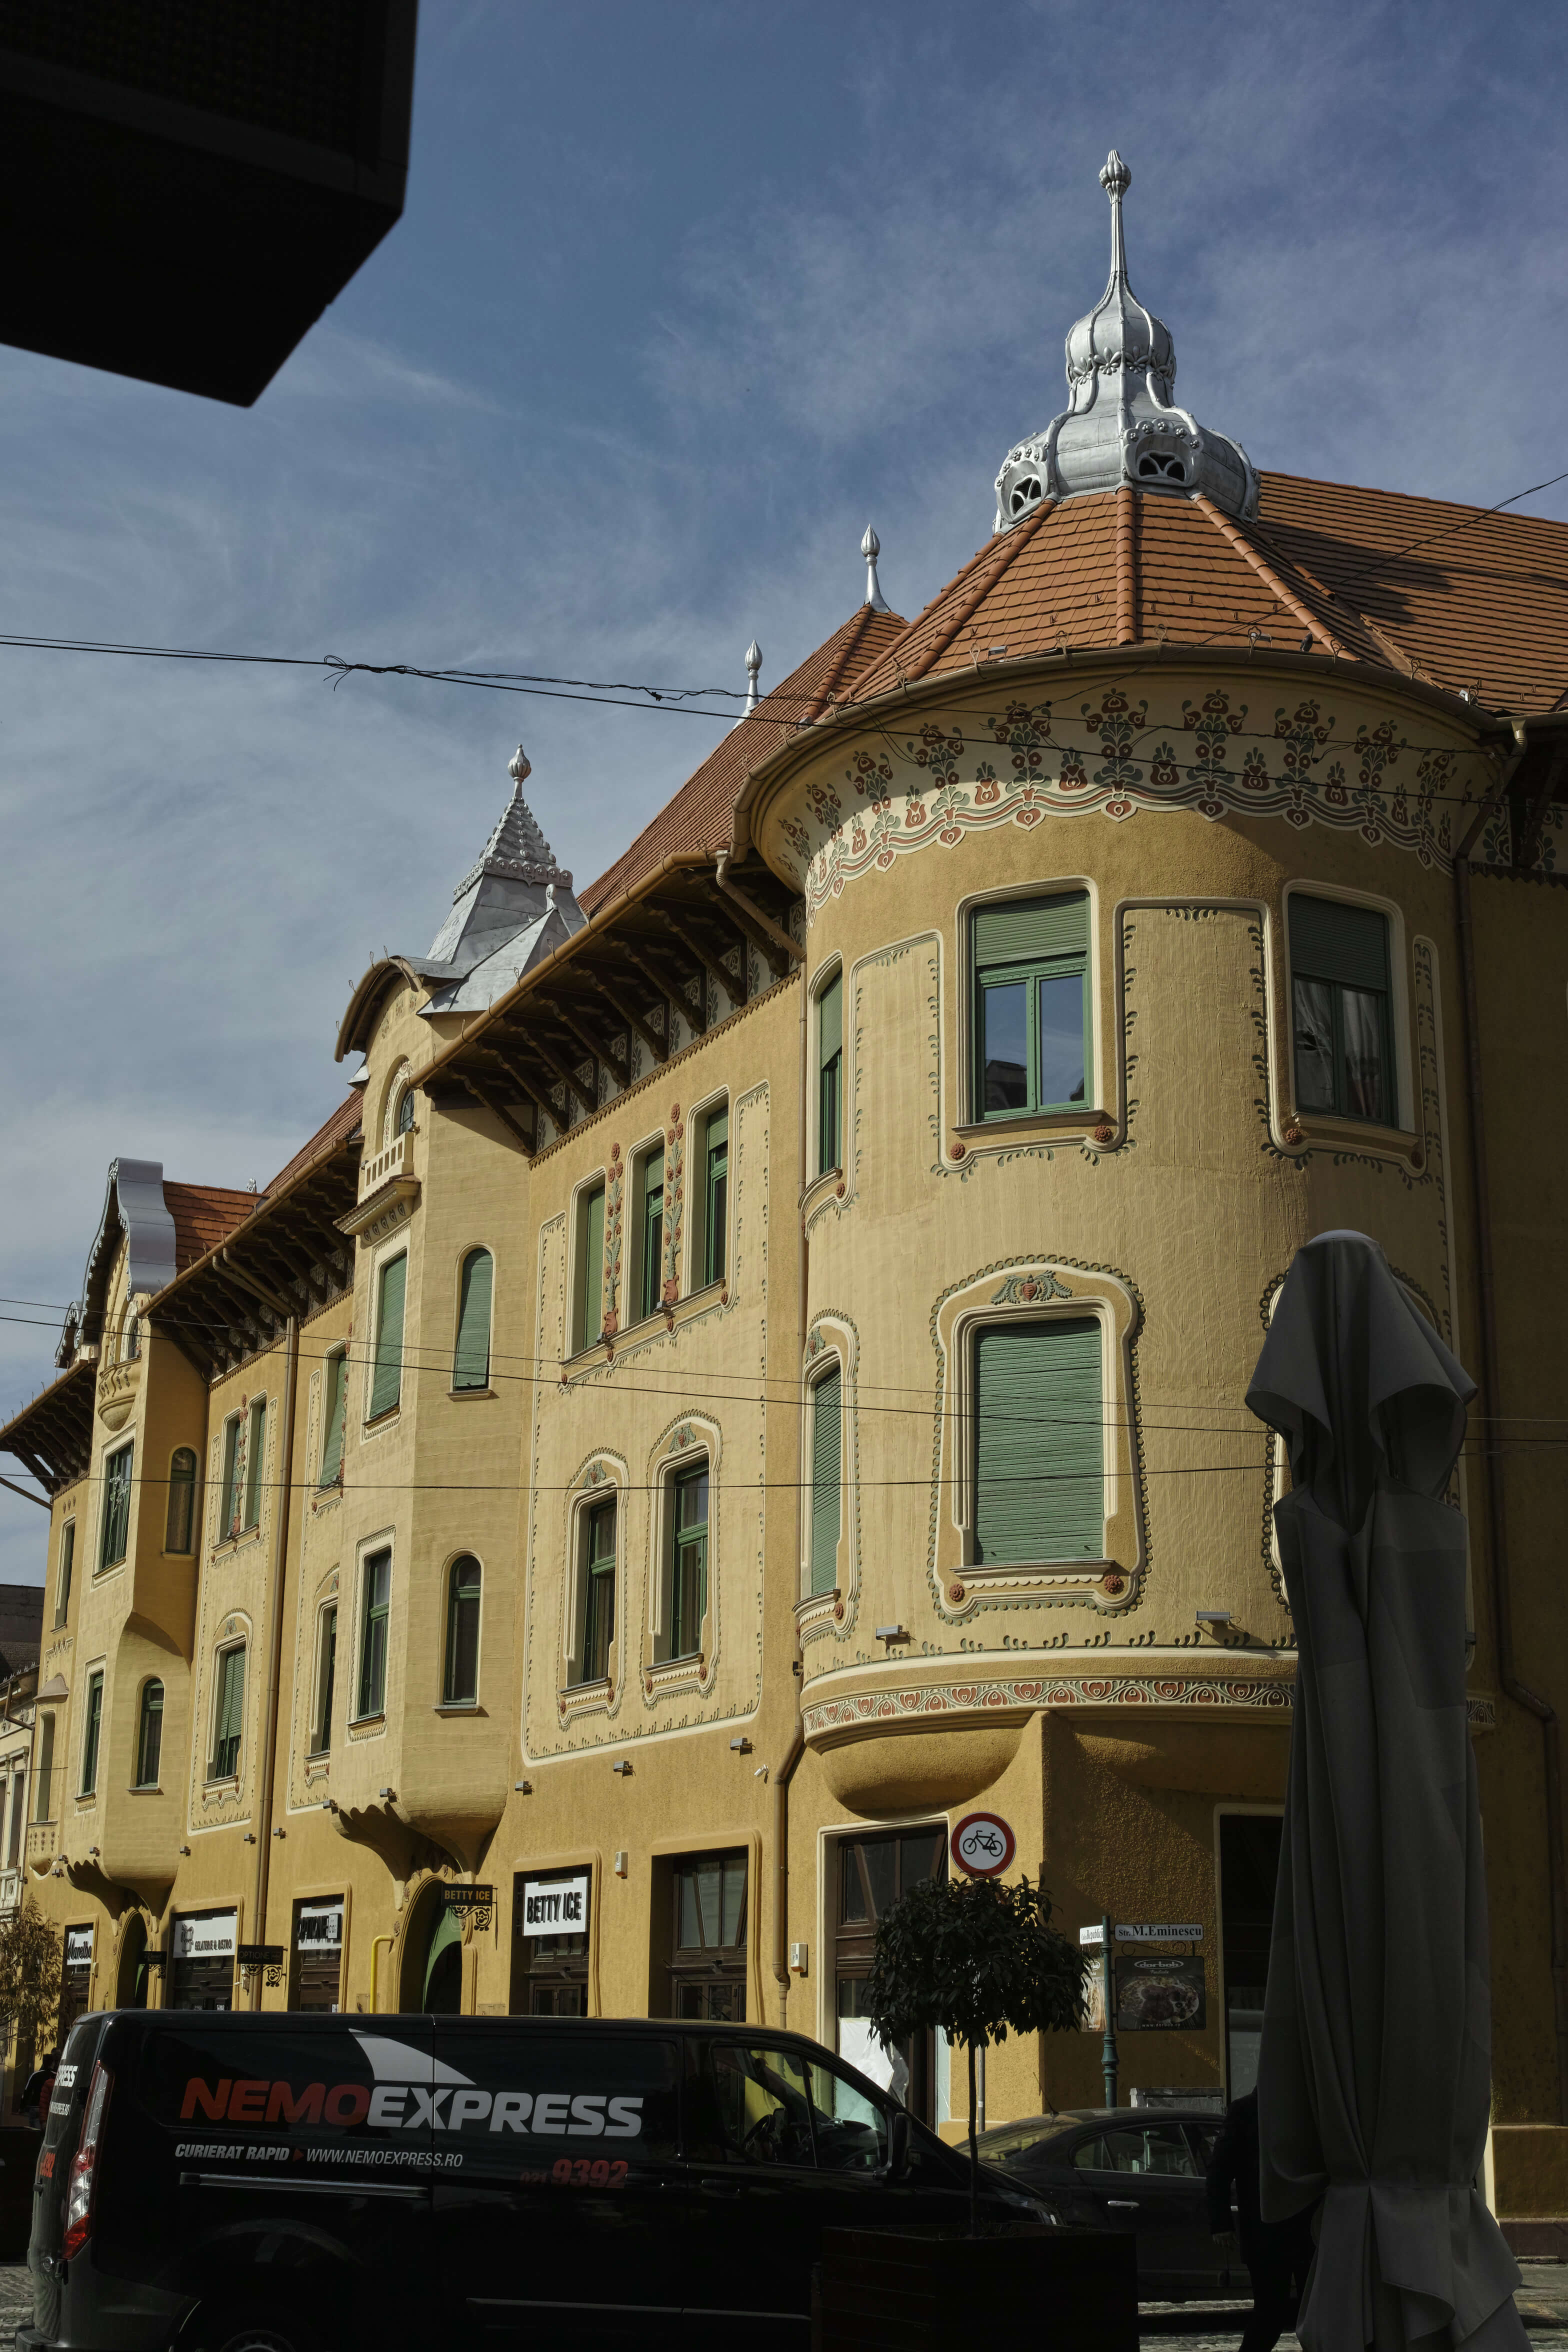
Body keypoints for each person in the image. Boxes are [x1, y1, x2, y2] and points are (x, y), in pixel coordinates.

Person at [1206, 2089, 1316, 2352]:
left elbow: (1220, 2170)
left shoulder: (1302, 2106)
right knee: (1272, 2313)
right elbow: (1219, 2171)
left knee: (1295, 2312)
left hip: (1295, 2228)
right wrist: (1221, 2223)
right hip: (1273, 2229)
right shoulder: (1247, 2110)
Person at [20, 2048, 58, 2130]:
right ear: (53, 2064)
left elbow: (27, 2091)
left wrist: (22, 2107)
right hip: (49, 2109)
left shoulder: (35, 2075)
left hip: (35, 2107)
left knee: (35, 2134)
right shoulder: (56, 2077)